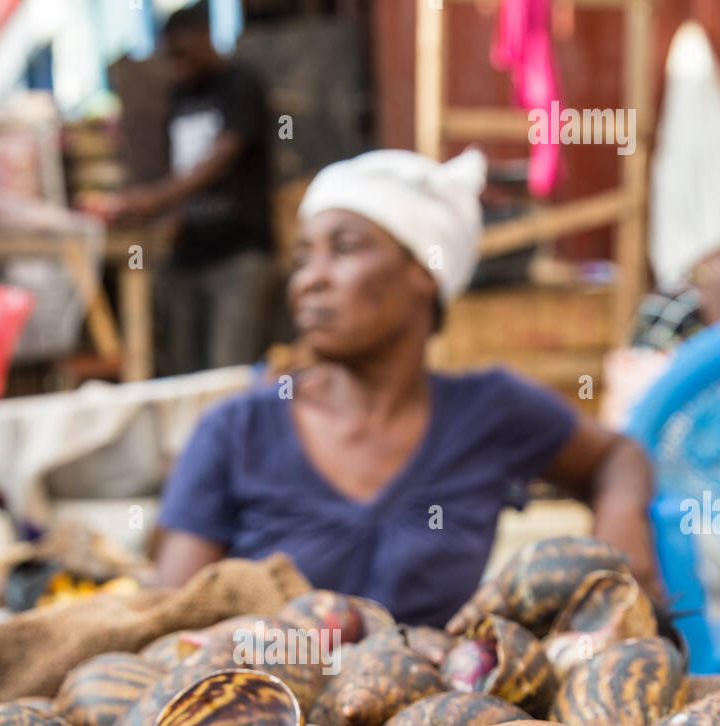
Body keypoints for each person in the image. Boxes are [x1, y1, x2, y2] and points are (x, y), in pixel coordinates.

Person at [153, 148, 662, 624]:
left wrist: (622, 543)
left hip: (441, 712)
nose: (309, 280)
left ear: (425, 274)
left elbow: (619, 458)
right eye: (304, 258)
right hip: (275, 709)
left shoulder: (490, 411)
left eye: (344, 248)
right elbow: (175, 619)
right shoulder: (236, 430)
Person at [83, 1, 273, 374]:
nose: (175, 62)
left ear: (205, 37)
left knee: (228, 372)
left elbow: (217, 160)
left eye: (181, 51)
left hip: (238, 254)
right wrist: (168, 216)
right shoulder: (180, 95)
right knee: (189, 373)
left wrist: (154, 200)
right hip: (190, 257)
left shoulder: (241, 84)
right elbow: (179, 164)